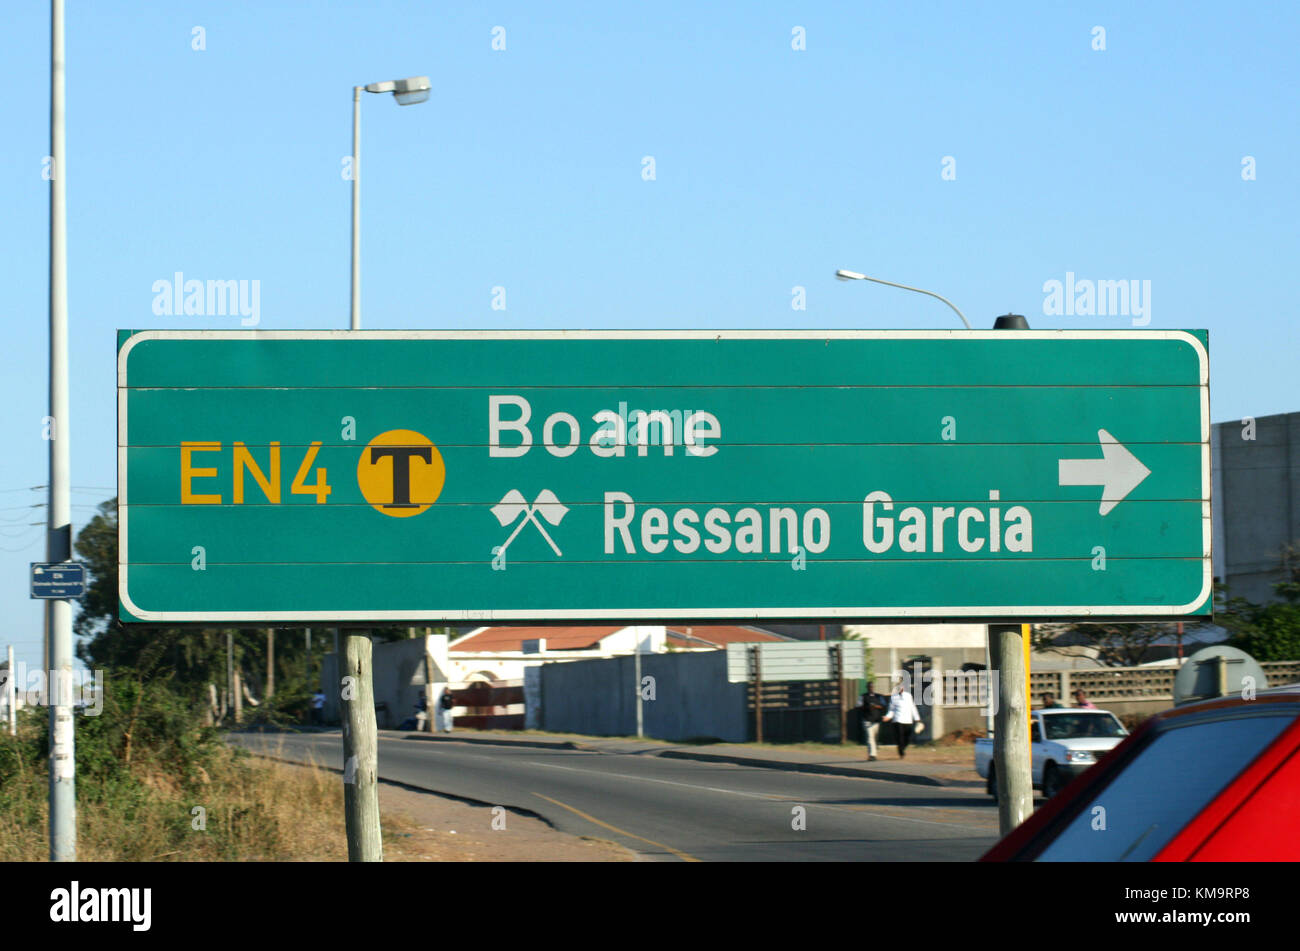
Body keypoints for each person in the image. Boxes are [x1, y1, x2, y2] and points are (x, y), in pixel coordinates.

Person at [881, 676, 923, 758]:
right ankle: (901, 752)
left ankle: (902, 748)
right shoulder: (894, 697)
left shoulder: (908, 696)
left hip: (907, 720)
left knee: (908, 737)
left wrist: (917, 718)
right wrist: (887, 717)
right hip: (898, 720)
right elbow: (891, 710)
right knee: (900, 737)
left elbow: (913, 707)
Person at [860, 686, 889, 761]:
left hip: (876, 720)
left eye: (872, 687)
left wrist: (875, 706)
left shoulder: (879, 696)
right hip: (867, 720)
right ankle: (872, 755)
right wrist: (867, 707)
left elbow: (884, 705)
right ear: (867, 688)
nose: (871, 688)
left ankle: (874, 752)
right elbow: (858, 706)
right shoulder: (863, 696)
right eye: (869, 687)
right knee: (870, 737)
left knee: (875, 738)